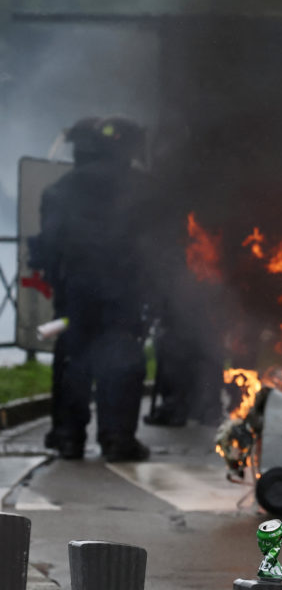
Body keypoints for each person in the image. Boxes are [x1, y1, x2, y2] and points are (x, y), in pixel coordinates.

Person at [29, 116, 154, 461]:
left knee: (72, 360)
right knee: (122, 360)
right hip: (125, 295)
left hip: (75, 295)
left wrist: (60, 283)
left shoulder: (59, 190)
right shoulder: (144, 190)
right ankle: (117, 439)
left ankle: (68, 437)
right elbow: (158, 247)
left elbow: (48, 246)